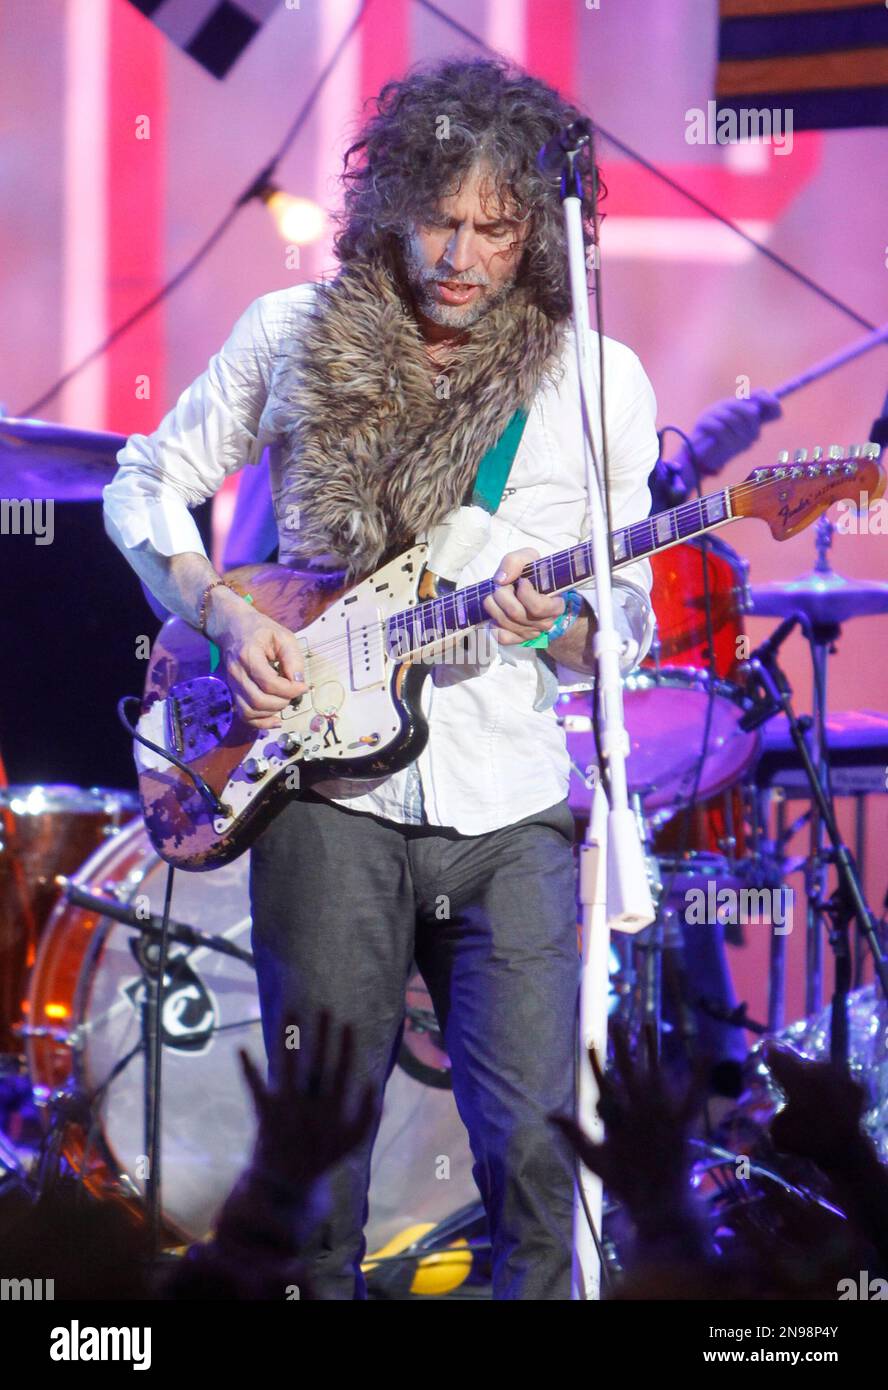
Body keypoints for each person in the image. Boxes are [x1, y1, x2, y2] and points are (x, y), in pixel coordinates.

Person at [103, 56, 658, 1300]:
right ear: (389, 205)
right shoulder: (291, 333)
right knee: (318, 1168)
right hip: (324, 802)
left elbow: (624, 615)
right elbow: (144, 481)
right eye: (438, 219)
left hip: (508, 800)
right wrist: (217, 606)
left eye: (496, 228)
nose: (461, 255)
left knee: (537, 1159)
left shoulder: (596, 380)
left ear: (540, 233)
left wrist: (557, 621)